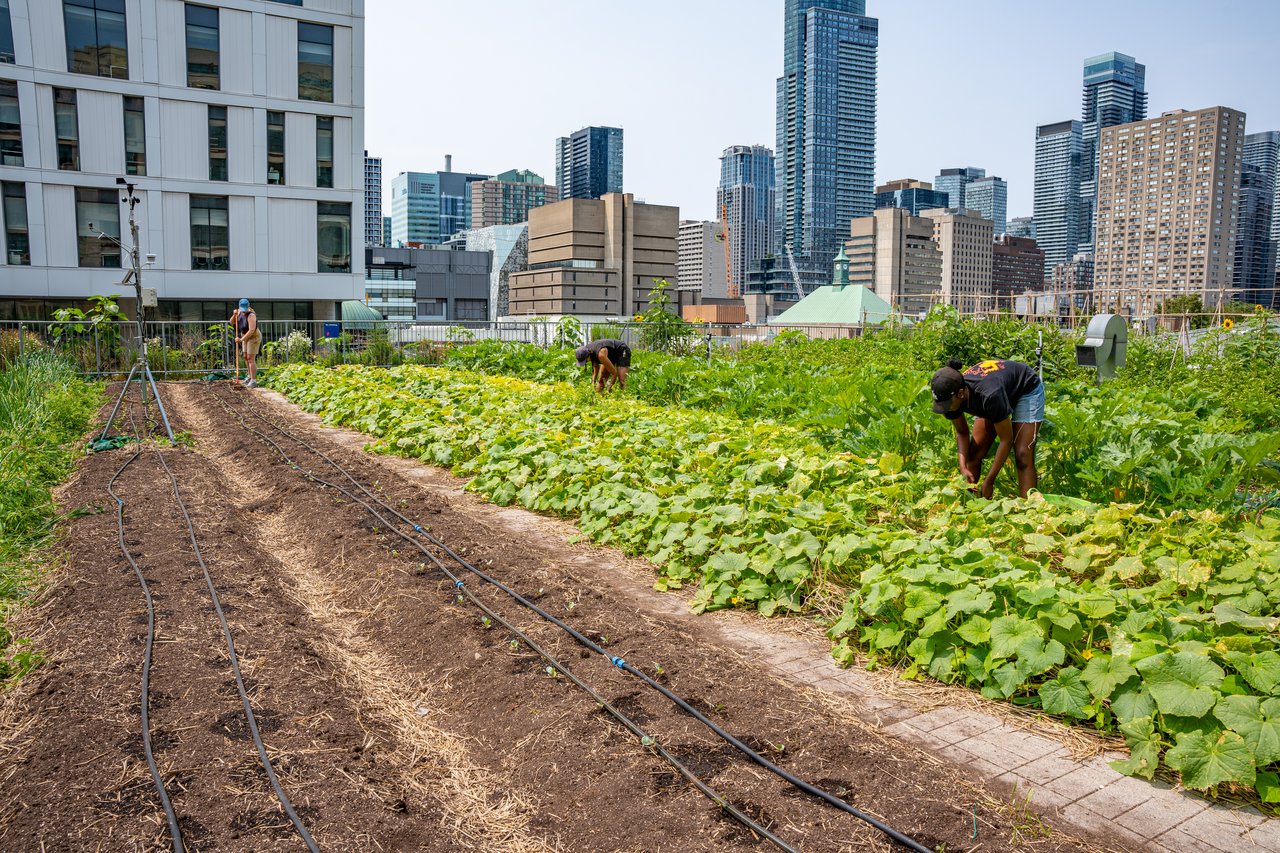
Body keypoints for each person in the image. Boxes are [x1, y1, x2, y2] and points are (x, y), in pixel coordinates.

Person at [930, 358, 1044, 498]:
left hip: (1025, 389)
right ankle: (971, 503)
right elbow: (962, 432)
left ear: (960, 394)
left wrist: (989, 481)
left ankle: (1029, 509)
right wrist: (963, 467)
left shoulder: (989, 395)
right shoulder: (948, 395)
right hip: (997, 392)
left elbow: (1006, 440)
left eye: (947, 404)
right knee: (974, 452)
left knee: (1022, 455)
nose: (944, 409)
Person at [229, 298, 262, 387]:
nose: (243, 311)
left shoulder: (251, 315)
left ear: (248, 306)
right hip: (245, 336)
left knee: (250, 358)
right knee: (245, 357)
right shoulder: (239, 312)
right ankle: (249, 376)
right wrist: (234, 315)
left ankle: (254, 381)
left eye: (244, 308)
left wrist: (241, 339)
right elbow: (232, 322)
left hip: (253, 337)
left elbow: (251, 330)